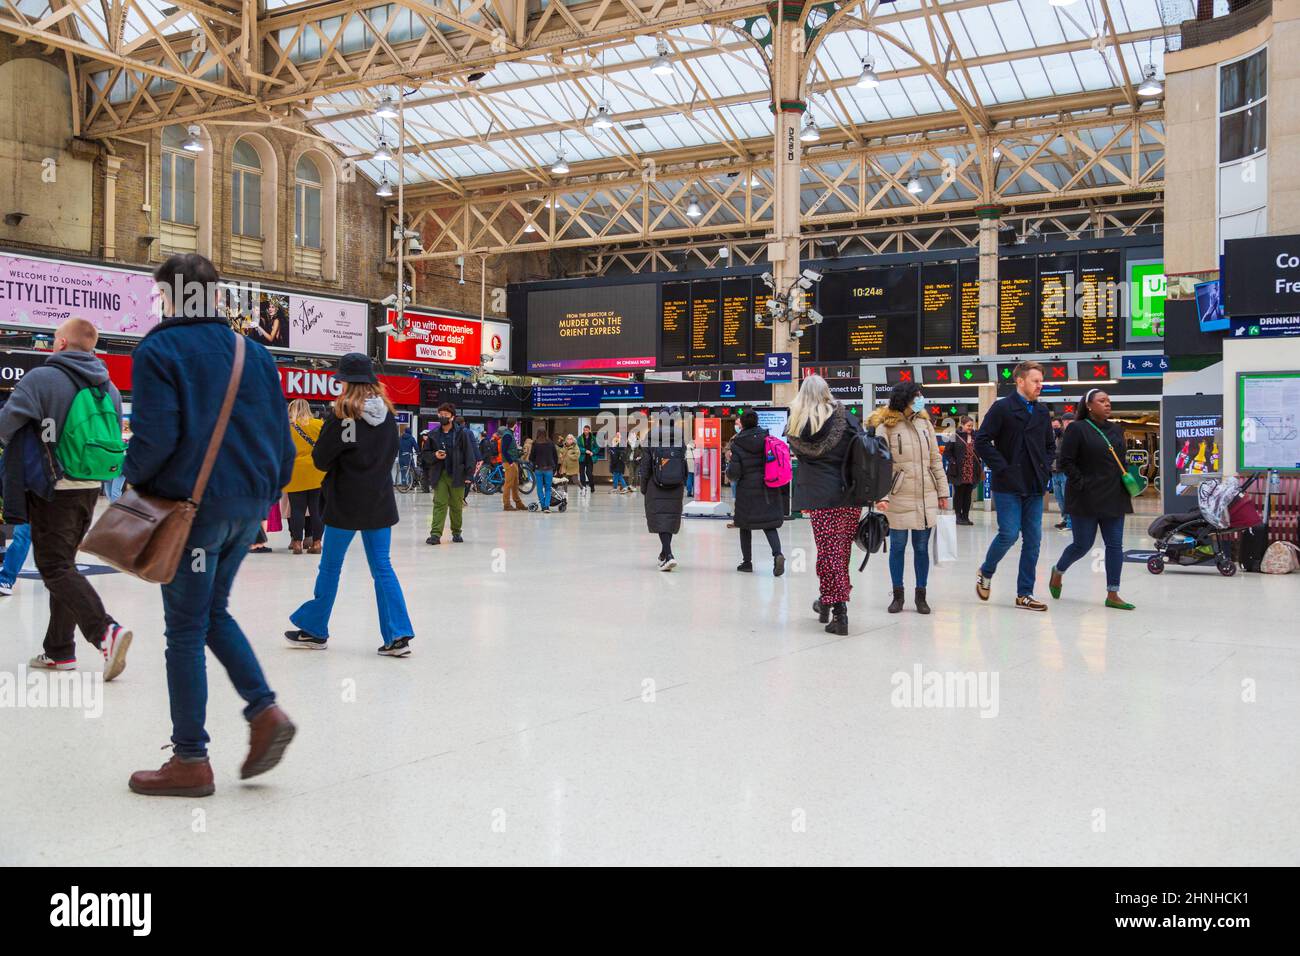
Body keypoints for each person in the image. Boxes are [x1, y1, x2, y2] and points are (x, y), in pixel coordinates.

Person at [124, 252, 296, 796]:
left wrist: (132, 482)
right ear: (215, 294)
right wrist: (264, 492)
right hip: (248, 507)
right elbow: (282, 441)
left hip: (194, 510)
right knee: (208, 612)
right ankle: (264, 712)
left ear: (168, 296)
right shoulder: (255, 352)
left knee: (184, 630)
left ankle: (191, 760)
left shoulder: (159, 349)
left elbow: (154, 441)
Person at [0, 317, 132, 677]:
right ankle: (60, 650)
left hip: (52, 487)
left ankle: (105, 631)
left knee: (53, 566)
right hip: (89, 487)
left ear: (59, 343)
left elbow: (6, 425)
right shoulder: (110, 386)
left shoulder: (43, 378)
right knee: (64, 564)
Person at [285, 353, 415, 657]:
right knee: (382, 567)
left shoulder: (342, 417)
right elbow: (389, 456)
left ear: (347, 384)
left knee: (330, 567)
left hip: (344, 503)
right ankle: (397, 634)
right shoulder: (387, 417)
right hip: (379, 503)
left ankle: (316, 630)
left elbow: (320, 459)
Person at [974, 360, 1055, 611]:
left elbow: (1050, 446)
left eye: (1041, 381)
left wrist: (1044, 466)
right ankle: (986, 571)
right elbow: (982, 441)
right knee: (1009, 533)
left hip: (1034, 484)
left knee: (1033, 540)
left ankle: (1025, 593)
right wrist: (1003, 467)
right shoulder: (1002, 408)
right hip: (1007, 484)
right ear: (1020, 381)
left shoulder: (1042, 412)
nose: (1040, 385)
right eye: (1035, 381)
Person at [786, 376, 862, 636]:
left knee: (828, 552)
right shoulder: (847, 418)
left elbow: (798, 453)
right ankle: (827, 600)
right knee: (840, 553)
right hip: (849, 494)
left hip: (820, 497)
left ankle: (839, 613)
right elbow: (861, 447)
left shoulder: (798, 423)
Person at [1049, 389, 1136, 610]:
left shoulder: (1116, 429)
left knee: (1115, 545)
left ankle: (1113, 593)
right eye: (1102, 401)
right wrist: (1082, 484)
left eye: (1109, 400)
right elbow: (1066, 462)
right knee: (1082, 544)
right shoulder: (1077, 429)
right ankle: (1057, 571)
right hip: (1085, 497)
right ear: (1088, 405)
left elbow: (1121, 460)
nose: (1108, 404)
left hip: (1115, 495)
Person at [869, 382, 949, 615]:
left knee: (922, 548)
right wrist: (881, 496)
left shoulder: (925, 423)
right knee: (898, 547)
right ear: (904, 399)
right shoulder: (887, 426)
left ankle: (921, 595)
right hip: (898, 496)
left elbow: (935, 459)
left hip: (926, 495)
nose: (921, 398)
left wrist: (943, 492)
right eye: (917, 395)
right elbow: (880, 465)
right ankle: (898, 594)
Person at [727, 410, 786, 575]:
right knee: (769, 524)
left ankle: (747, 562)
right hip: (768, 487)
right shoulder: (766, 438)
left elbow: (734, 474)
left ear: (743, 424)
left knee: (744, 526)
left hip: (747, 490)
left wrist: (730, 467)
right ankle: (777, 554)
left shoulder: (737, 444)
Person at [639, 416, 687, 570]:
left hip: (656, 483)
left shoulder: (651, 436)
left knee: (661, 518)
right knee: (669, 518)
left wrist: (643, 486)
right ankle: (663, 554)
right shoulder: (681, 436)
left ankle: (669, 555)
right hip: (676, 483)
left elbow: (645, 465)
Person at [426, 402, 476, 544]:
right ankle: (435, 534)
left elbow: (469, 454)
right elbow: (425, 454)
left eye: (446, 415)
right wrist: (435, 455)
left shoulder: (462, 433)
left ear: (452, 417)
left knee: (456, 505)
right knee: (439, 503)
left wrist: (469, 475)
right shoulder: (433, 434)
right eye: (440, 415)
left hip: (457, 474)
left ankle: (456, 532)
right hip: (440, 474)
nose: (442, 417)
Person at [284, 399, 325, 555]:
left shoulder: (287, 428)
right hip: (317, 472)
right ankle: (317, 543)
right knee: (317, 510)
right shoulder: (319, 424)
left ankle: (297, 544)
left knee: (297, 510)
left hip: (295, 472)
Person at [493, 424, 526, 512]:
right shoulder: (507, 435)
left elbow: (510, 449)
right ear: (515, 425)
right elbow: (504, 450)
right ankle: (506, 504)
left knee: (515, 483)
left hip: (512, 461)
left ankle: (518, 503)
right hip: (509, 462)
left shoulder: (509, 434)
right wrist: (511, 462)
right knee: (508, 483)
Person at [1050, 414, 1073, 531]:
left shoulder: (1067, 436)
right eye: (1053, 427)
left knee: (1066, 498)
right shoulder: (1053, 437)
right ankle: (1065, 519)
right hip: (1054, 472)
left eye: (1057, 426)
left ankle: (1071, 522)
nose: (1055, 429)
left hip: (1064, 472)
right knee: (1059, 499)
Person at [531, 427, 560, 512]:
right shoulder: (550, 443)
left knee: (539, 488)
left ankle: (543, 506)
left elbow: (531, 457)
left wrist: (534, 466)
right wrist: (555, 468)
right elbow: (555, 456)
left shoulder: (535, 443)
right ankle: (547, 507)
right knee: (548, 488)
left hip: (538, 469)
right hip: (549, 469)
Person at [577, 424, 598, 494]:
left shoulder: (593, 438)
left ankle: (592, 486)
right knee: (581, 473)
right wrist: (585, 450)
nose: (585, 431)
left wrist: (593, 452)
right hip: (582, 458)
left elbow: (597, 447)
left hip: (590, 458)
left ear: (589, 430)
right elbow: (578, 447)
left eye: (587, 430)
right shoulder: (580, 438)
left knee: (589, 473)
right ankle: (583, 487)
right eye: (584, 430)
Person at [397, 423, 418, 487]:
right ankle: (410, 484)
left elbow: (397, 447)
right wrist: (418, 452)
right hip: (408, 456)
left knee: (403, 470)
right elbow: (416, 447)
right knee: (411, 470)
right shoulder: (411, 438)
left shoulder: (400, 438)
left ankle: (404, 484)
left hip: (401, 456)